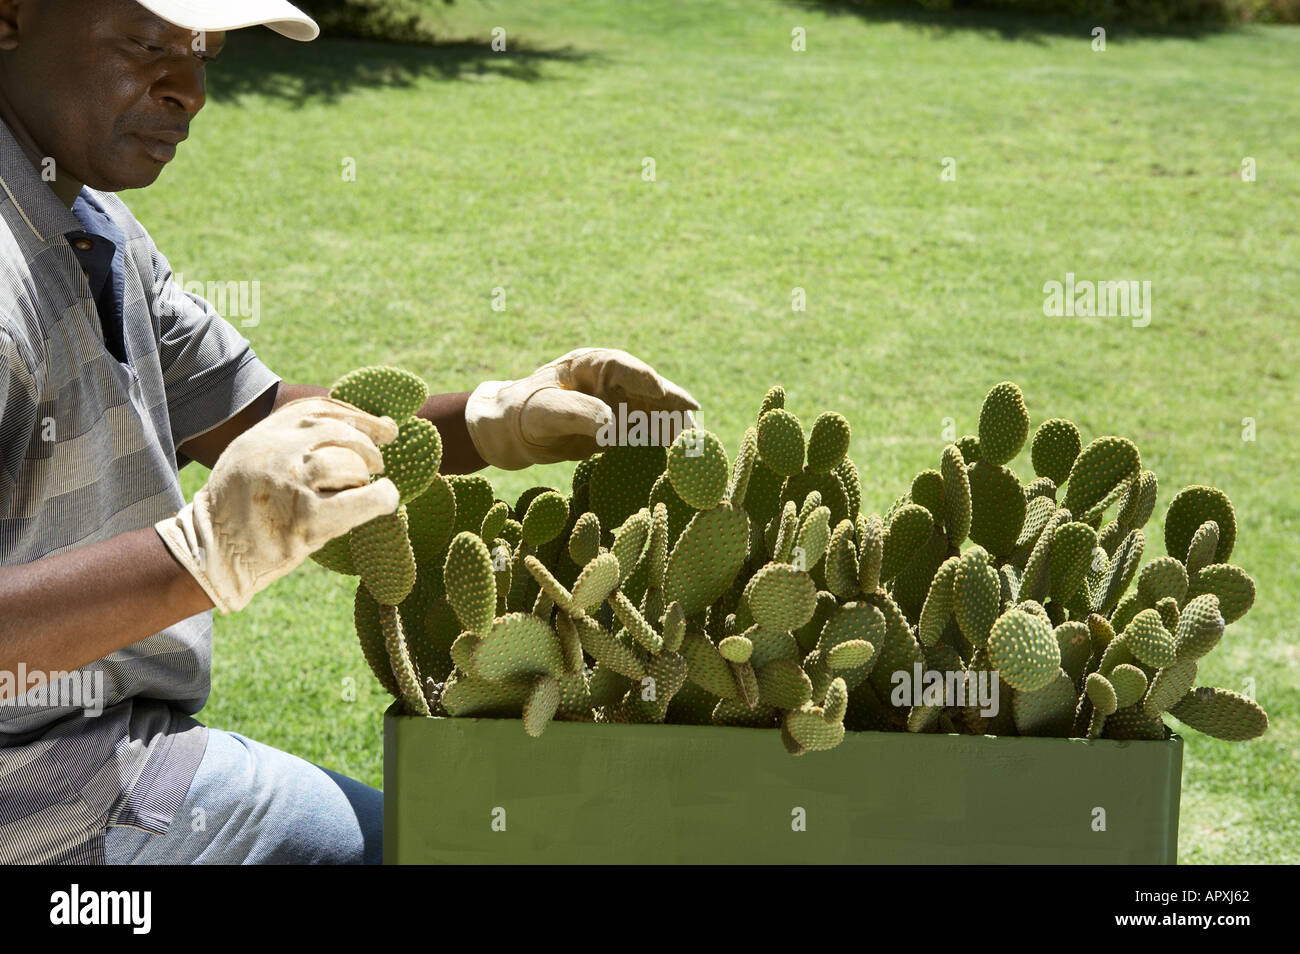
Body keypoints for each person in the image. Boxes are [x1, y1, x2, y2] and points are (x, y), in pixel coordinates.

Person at [0, 0, 698, 864]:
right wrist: (206, 552)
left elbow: (259, 422)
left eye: (205, 54)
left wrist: (500, 419)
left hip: (112, 750)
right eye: (149, 46)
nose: (190, 91)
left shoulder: (88, 218)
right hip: (36, 806)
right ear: (11, 18)